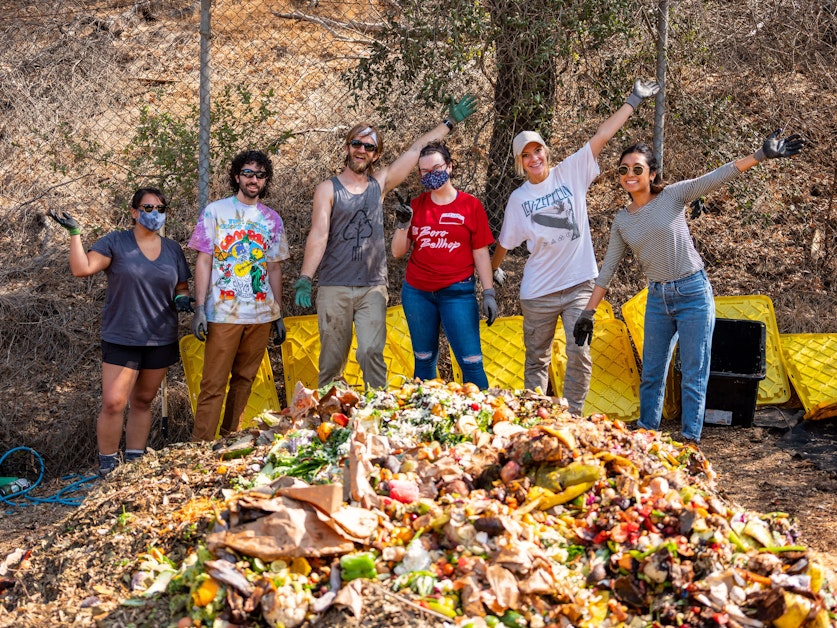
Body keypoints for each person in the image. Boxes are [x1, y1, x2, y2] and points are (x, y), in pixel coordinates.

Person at [577, 130, 805, 444]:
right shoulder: (622, 221)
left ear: (652, 173)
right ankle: (646, 436)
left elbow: (718, 176)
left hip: (693, 293)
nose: (630, 174)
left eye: (637, 169)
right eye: (623, 169)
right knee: (652, 375)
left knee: (694, 373)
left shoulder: (673, 196)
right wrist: (588, 313)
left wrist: (761, 154)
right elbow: (607, 271)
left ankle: (689, 441)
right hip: (657, 298)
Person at [491, 79, 659, 414]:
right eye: (526, 155)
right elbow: (504, 244)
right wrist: (492, 273)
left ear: (545, 152)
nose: (534, 157)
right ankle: (533, 420)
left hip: (580, 285)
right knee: (536, 359)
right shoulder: (518, 199)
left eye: (537, 150)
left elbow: (602, 136)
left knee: (579, 353)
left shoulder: (570, 172)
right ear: (519, 163)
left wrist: (634, 100)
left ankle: (572, 419)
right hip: (538, 293)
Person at [294, 96, 477, 390]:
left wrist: (449, 123)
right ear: (347, 147)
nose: (362, 150)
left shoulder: (379, 185)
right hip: (334, 285)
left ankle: (376, 417)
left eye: (369, 147)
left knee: (370, 353)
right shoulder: (328, 189)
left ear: (376, 155)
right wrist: (305, 277)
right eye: (357, 143)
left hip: (371, 287)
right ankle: (328, 424)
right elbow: (319, 233)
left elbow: (416, 150)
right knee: (331, 362)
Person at [48, 188, 192, 478]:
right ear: (134, 212)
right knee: (114, 402)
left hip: (160, 335)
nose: (155, 214)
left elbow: (181, 286)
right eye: (148, 208)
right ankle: (108, 467)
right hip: (122, 335)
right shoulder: (116, 242)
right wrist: (75, 233)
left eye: (160, 208)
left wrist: (182, 298)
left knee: (142, 401)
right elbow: (82, 268)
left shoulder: (173, 249)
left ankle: (134, 467)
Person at [188, 149, 289, 441]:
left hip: (259, 314)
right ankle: (200, 445)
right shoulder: (215, 212)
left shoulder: (272, 219)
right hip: (223, 311)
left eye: (260, 174)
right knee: (213, 383)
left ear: (265, 180)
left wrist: (277, 313)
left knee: (244, 380)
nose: (253, 179)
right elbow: (204, 261)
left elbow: (274, 269)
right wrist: (199, 308)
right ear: (237, 176)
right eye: (248, 173)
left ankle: (228, 439)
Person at [391, 141, 497, 389]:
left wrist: (488, 291)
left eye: (436, 168)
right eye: (424, 172)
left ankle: (481, 418)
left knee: (471, 361)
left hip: (457, 292)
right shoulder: (416, 206)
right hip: (418, 292)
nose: (430, 175)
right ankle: (426, 419)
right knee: (424, 359)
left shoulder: (470, 205)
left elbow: (480, 253)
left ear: (449, 167)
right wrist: (402, 224)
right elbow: (397, 252)